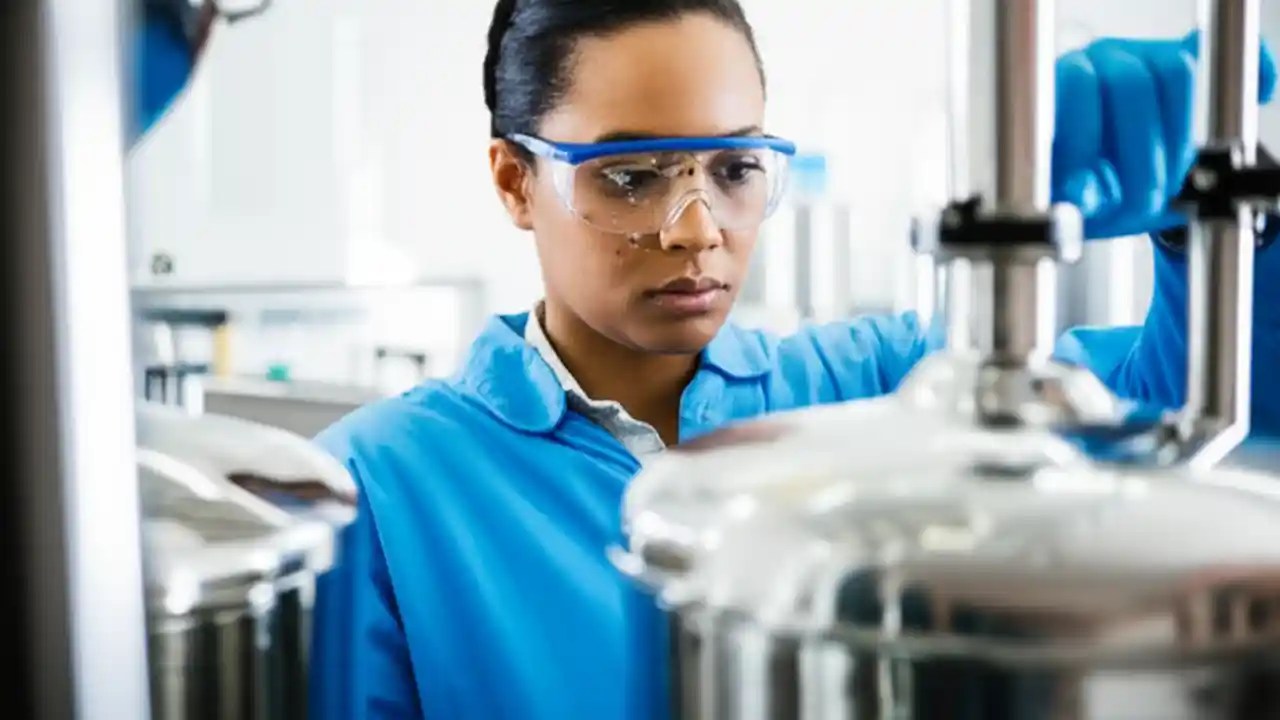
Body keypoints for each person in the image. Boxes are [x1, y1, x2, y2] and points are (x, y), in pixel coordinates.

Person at [309, 1, 1280, 718]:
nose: (696, 232)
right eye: (632, 176)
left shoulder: (882, 390)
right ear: (514, 181)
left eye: (734, 170)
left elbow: (1173, 432)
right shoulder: (382, 487)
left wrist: (1227, 245)